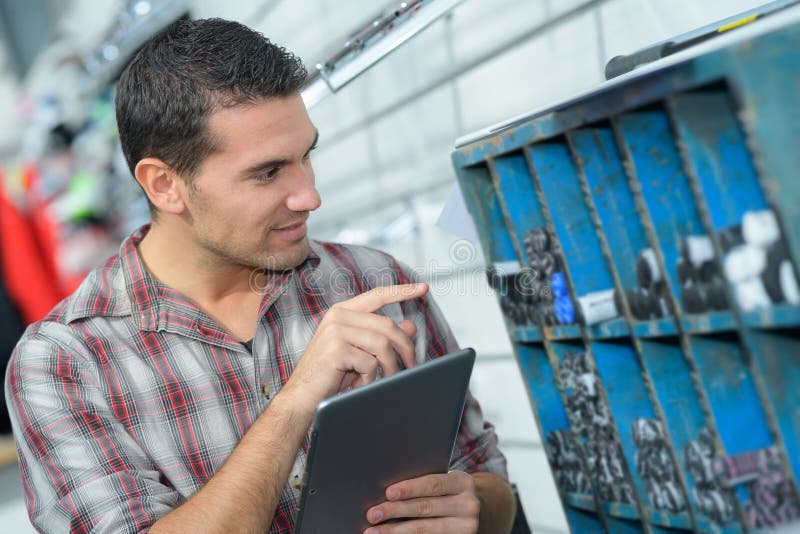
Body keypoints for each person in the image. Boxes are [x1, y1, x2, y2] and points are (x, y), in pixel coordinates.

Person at [5, 18, 516, 534]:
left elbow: (489, 479)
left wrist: (473, 508)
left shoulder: (375, 282)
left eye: (305, 156)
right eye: (268, 172)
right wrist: (296, 400)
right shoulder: (63, 364)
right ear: (164, 185)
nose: (309, 196)